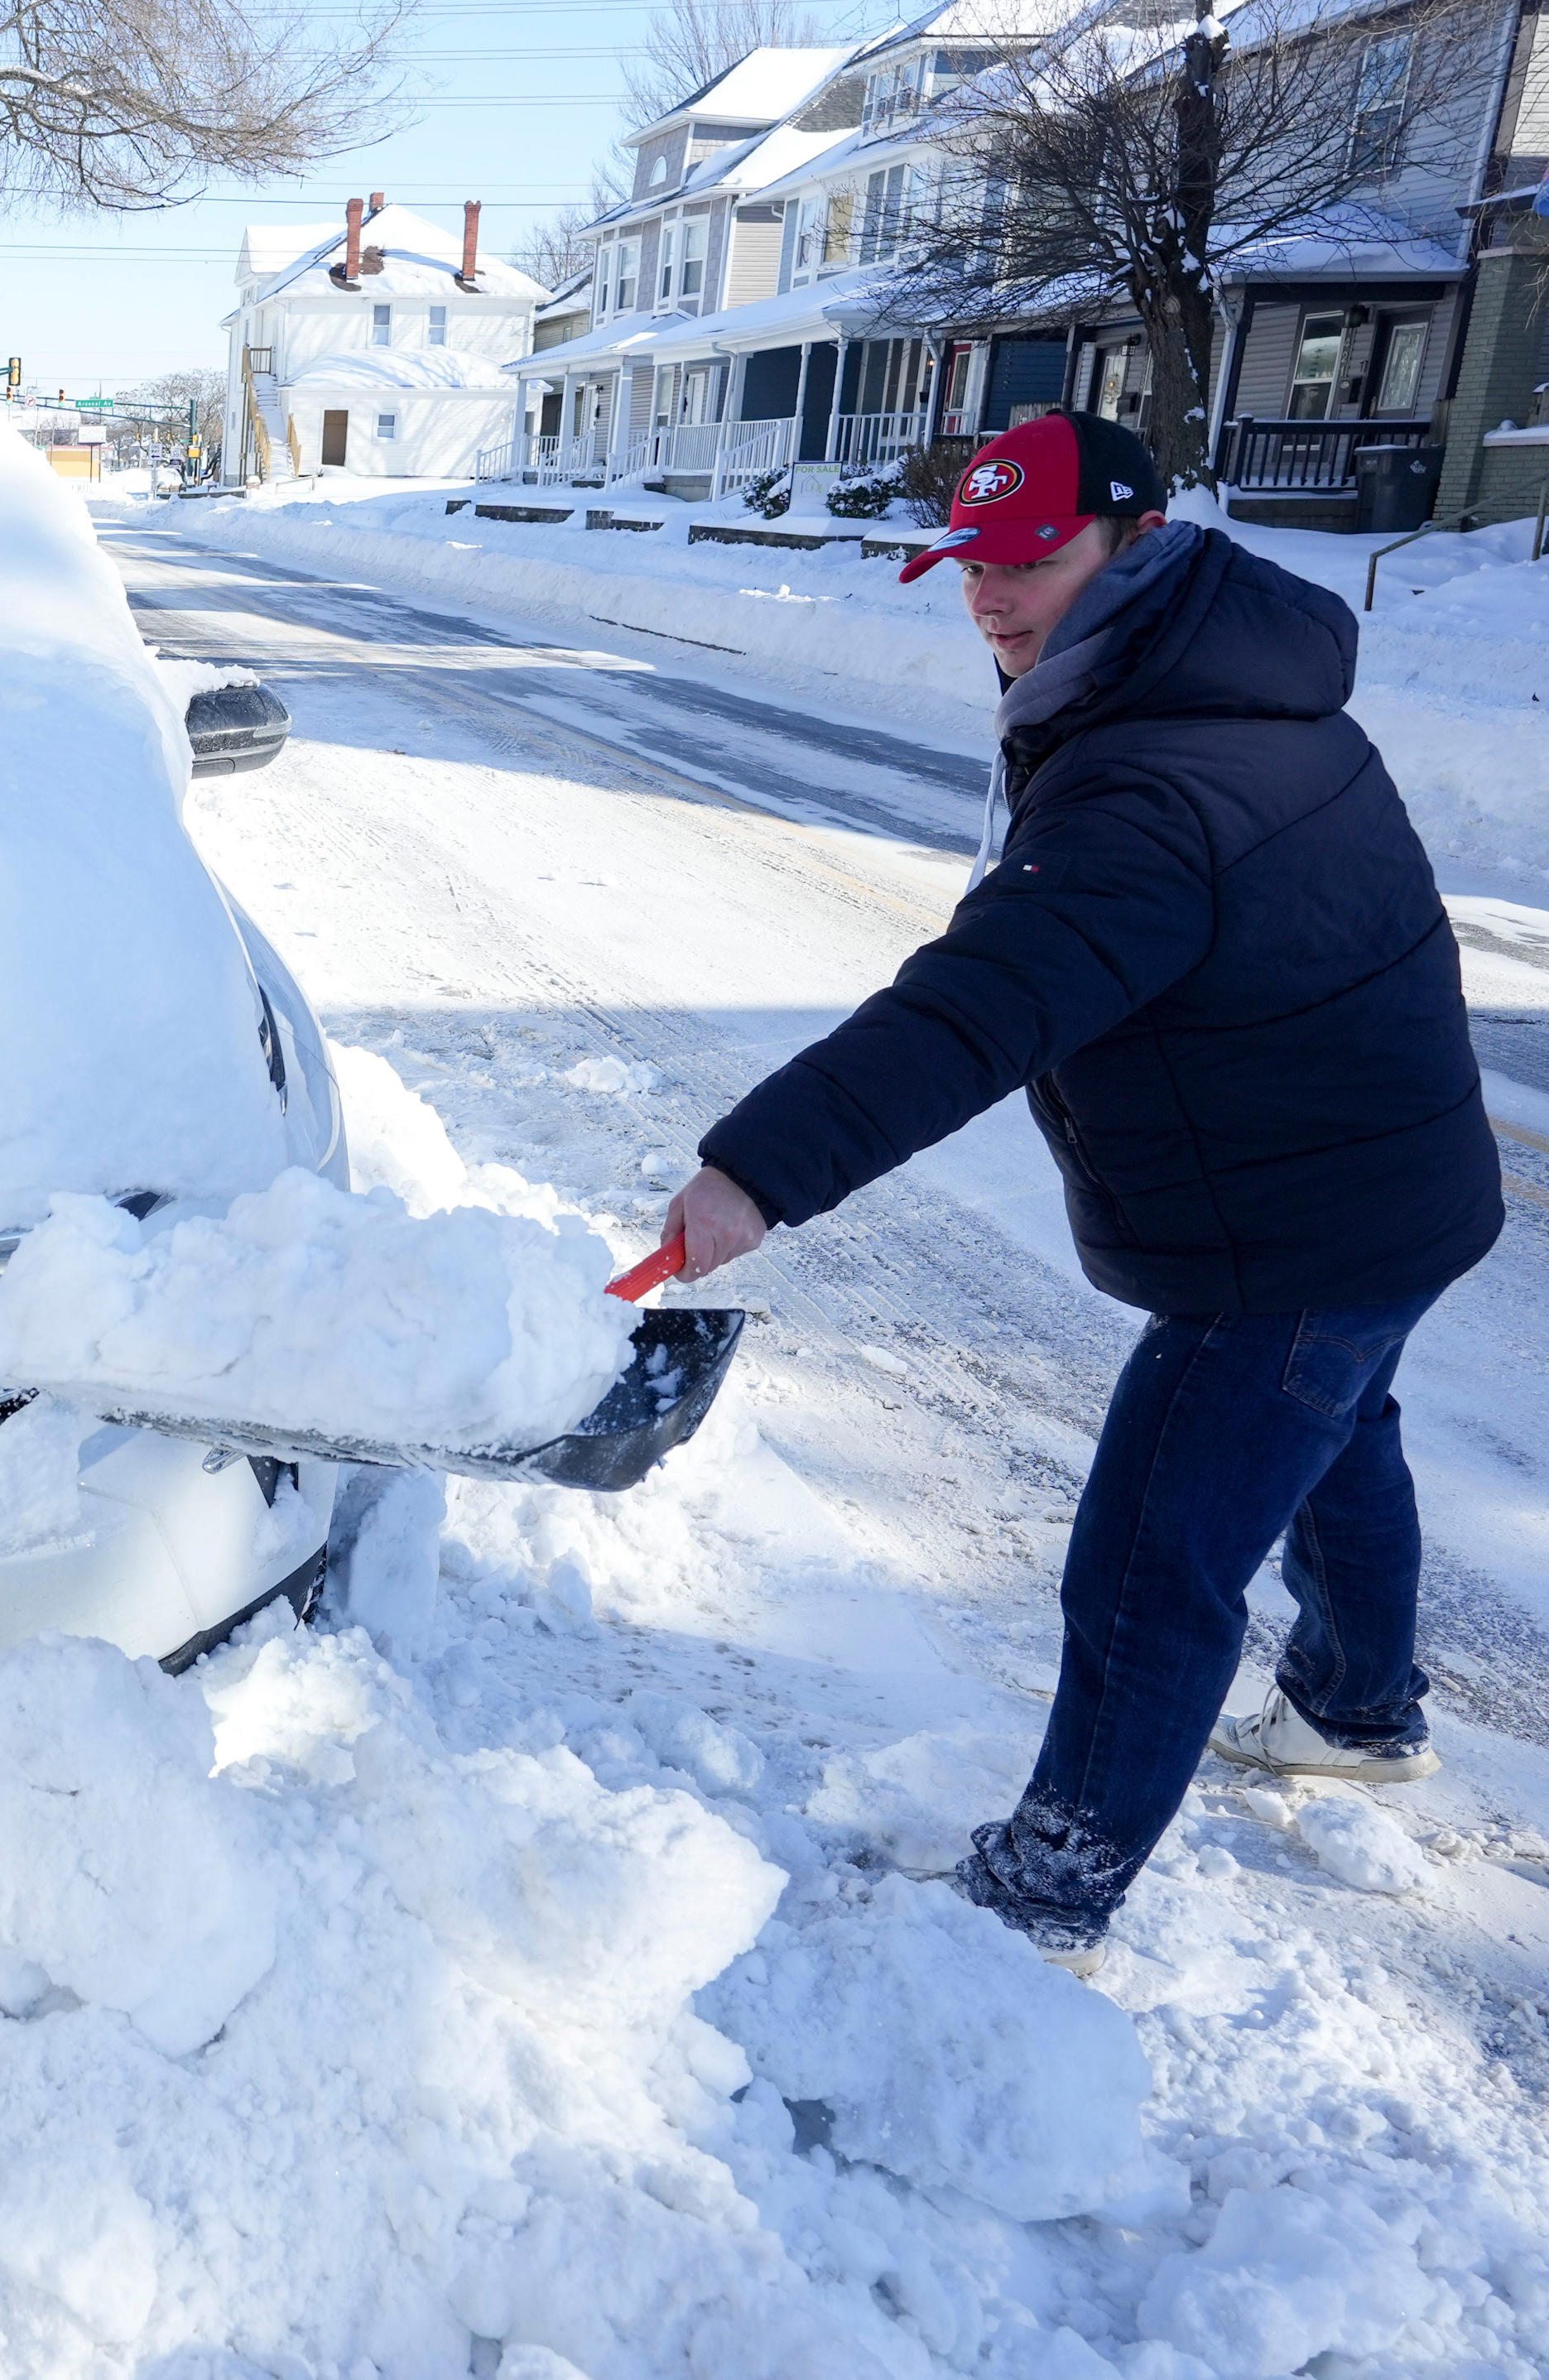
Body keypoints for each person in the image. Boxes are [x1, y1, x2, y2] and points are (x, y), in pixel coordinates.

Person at [659, 411, 1502, 1974]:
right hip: (1392, 1180)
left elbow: (980, 1005)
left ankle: (1049, 1895)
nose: (990, 594)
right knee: (1339, 1429)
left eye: (1030, 558)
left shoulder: (1152, 773)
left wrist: (755, 1173)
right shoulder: (1222, 671)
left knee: (1152, 1553)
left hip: (1298, 1220)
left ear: (1133, 535)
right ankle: (1358, 1715)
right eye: (968, 560)